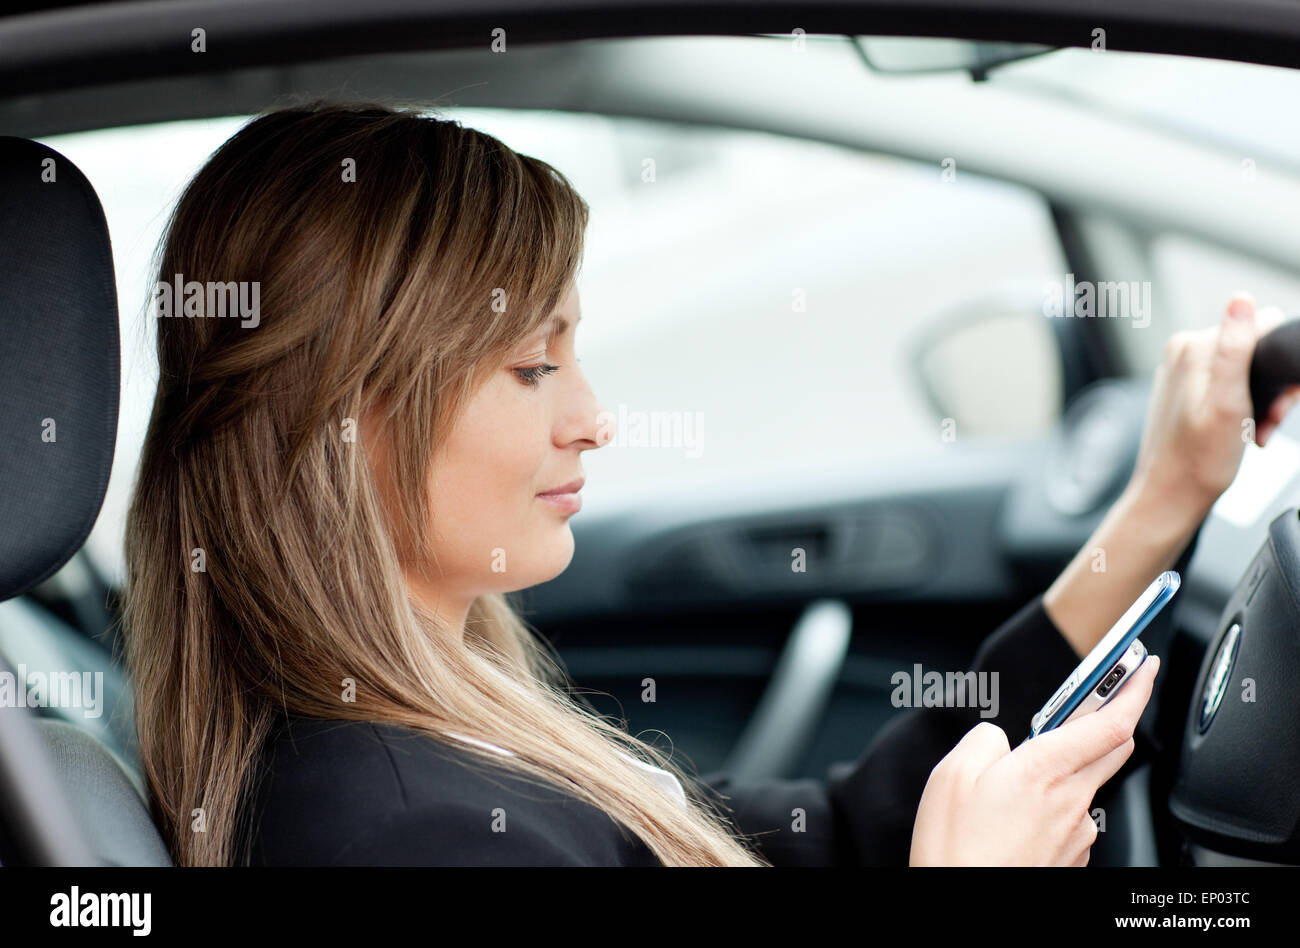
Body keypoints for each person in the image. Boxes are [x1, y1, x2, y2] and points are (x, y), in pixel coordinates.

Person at [121, 100, 1300, 867]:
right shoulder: (406, 832)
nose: (592, 418)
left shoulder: (443, 752)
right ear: (345, 421)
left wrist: (1158, 501)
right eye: (534, 363)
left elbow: (844, 827)